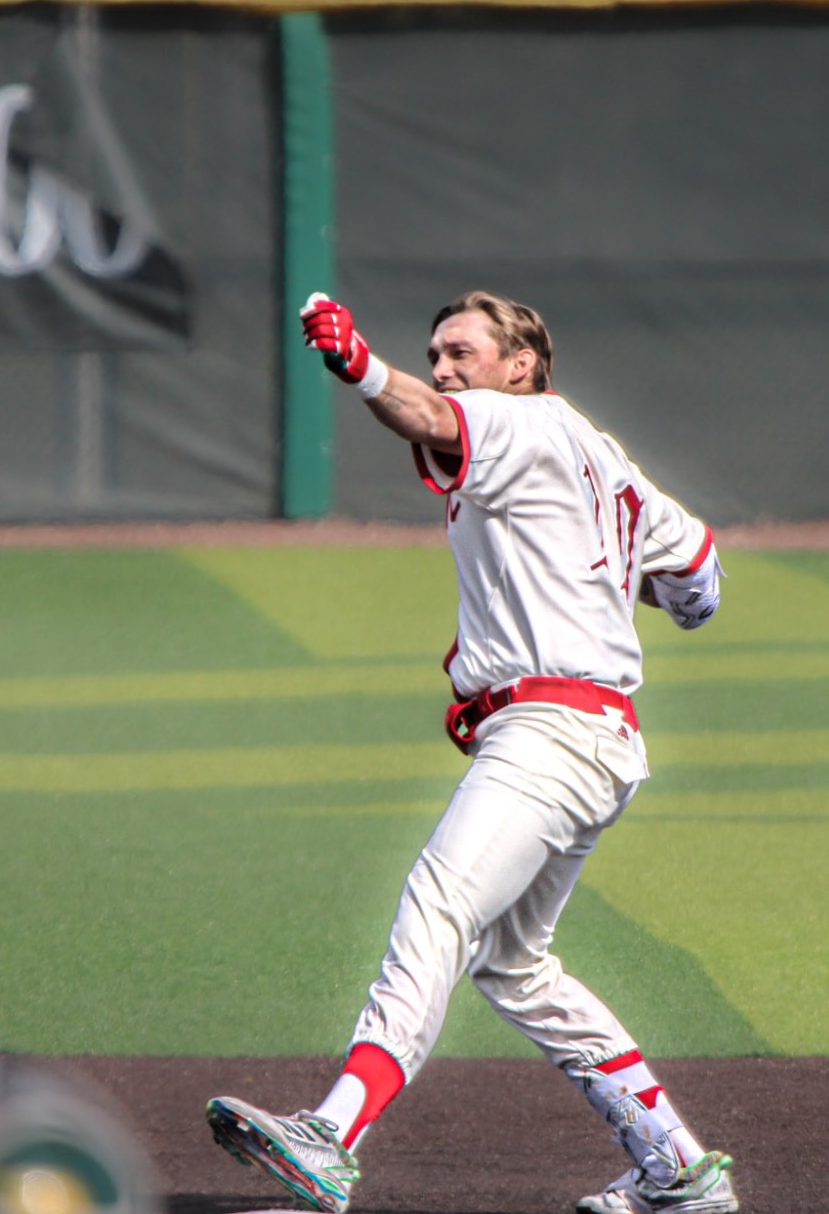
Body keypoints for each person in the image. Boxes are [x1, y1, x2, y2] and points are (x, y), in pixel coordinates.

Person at [206, 292, 735, 1214]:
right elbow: (698, 579)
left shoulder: (516, 420)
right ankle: (675, 1168)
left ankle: (331, 1133)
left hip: (550, 733)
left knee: (439, 904)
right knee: (515, 965)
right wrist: (605, 574)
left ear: (520, 363)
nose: (445, 365)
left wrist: (359, 365)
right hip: (597, 736)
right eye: (435, 351)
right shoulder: (605, 458)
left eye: (462, 350)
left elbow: (420, 412)